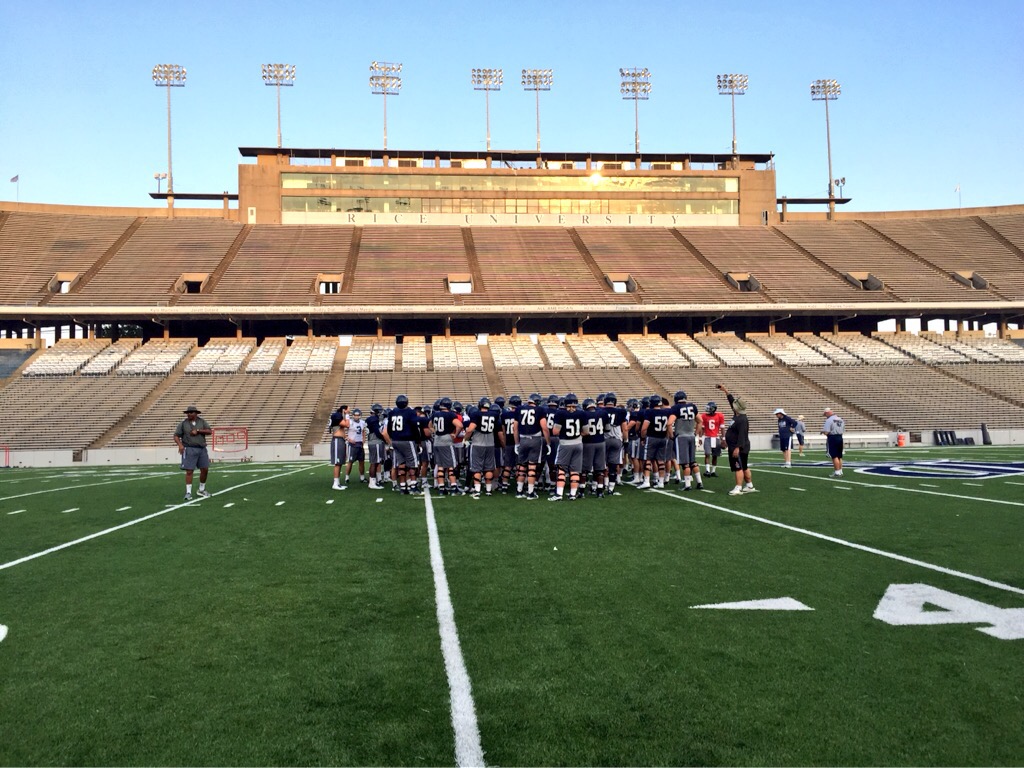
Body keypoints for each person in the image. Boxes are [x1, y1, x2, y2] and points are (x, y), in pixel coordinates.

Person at [717, 385, 756, 496]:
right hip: (738, 445)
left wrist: (737, 448)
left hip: (738, 446)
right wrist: (725, 390)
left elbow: (742, 435)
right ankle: (749, 485)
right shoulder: (738, 415)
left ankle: (738, 487)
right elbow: (731, 401)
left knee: (738, 467)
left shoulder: (742, 419)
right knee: (744, 466)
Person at [174, 405, 212, 501]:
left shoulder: (202, 422)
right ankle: (188, 492)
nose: (189, 414)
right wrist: (180, 445)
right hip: (189, 448)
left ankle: (201, 489)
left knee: (205, 469)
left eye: (191, 412)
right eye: (188, 413)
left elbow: (209, 431)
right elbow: (176, 436)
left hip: (201, 448)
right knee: (189, 470)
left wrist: (198, 431)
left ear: (196, 413)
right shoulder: (183, 424)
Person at [668, 390, 703, 491]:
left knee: (685, 463)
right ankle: (699, 482)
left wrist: (671, 435)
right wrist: (696, 433)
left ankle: (687, 485)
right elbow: (700, 421)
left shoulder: (676, 408)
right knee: (693, 461)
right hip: (691, 436)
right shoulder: (692, 406)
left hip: (681, 437)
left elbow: (669, 423)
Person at [700, 400, 726, 477]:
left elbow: (722, 428)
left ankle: (713, 471)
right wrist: (700, 437)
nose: (707, 409)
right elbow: (703, 428)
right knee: (707, 454)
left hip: (716, 437)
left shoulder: (720, 415)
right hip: (707, 437)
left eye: (709, 408)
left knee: (715, 455)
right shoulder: (704, 416)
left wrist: (723, 439)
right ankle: (707, 470)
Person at [328, 404, 350, 490]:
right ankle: (335, 483)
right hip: (337, 440)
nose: (349, 411)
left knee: (340, 462)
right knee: (337, 463)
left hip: (340, 440)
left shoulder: (339, 416)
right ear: (344, 410)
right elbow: (347, 425)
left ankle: (338, 483)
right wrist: (347, 415)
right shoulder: (337, 416)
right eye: (348, 410)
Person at [822, 407, 846, 477]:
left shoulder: (829, 420)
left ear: (827, 413)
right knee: (839, 456)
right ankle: (840, 470)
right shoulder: (840, 419)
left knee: (834, 456)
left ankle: (837, 472)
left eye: (825, 414)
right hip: (840, 437)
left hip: (833, 437)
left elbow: (827, 432)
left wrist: (822, 432)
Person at [345, 408, 367, 484]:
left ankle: (362, 477)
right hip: (352, 444)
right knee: (350, 461)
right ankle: (347, 477)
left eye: (358, 415)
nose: (357, 416)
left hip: (360, 443)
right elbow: (343, 431)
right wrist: (348, 439)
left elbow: (363, 431)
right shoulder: (350, 422)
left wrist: (364, 439)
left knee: (361, 461)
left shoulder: (362, 422)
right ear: (353, 415)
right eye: (355, 415)